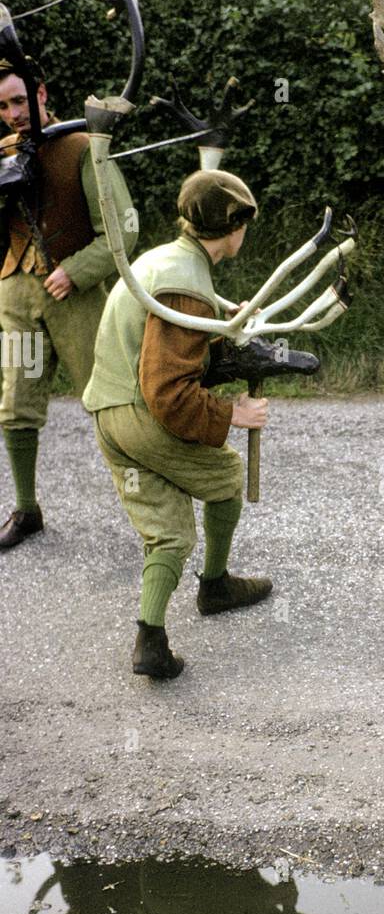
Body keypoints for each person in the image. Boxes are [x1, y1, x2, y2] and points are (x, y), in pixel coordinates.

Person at [82, 170, 273, 679]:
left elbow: (166, 338)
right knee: (227, 476)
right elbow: (169, 393)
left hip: (108, 411)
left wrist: (218, 322)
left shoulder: (162, 259)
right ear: (234, 226)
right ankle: (215, 585)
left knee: (167, 533)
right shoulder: (186, 287)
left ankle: (151, 639)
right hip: (143, 416)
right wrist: (234, 413)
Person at [0, 59, 135, 548]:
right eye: (2, 106)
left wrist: (76, 271)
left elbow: (125, 229)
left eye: (19, 100)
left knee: (108, 402)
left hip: (74, 300)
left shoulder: (84, 146)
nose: (13, 113)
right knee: (17, 404)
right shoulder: (3, 152)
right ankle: (26, 509)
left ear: (40, 93)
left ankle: (148, 512)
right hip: (18, 296)